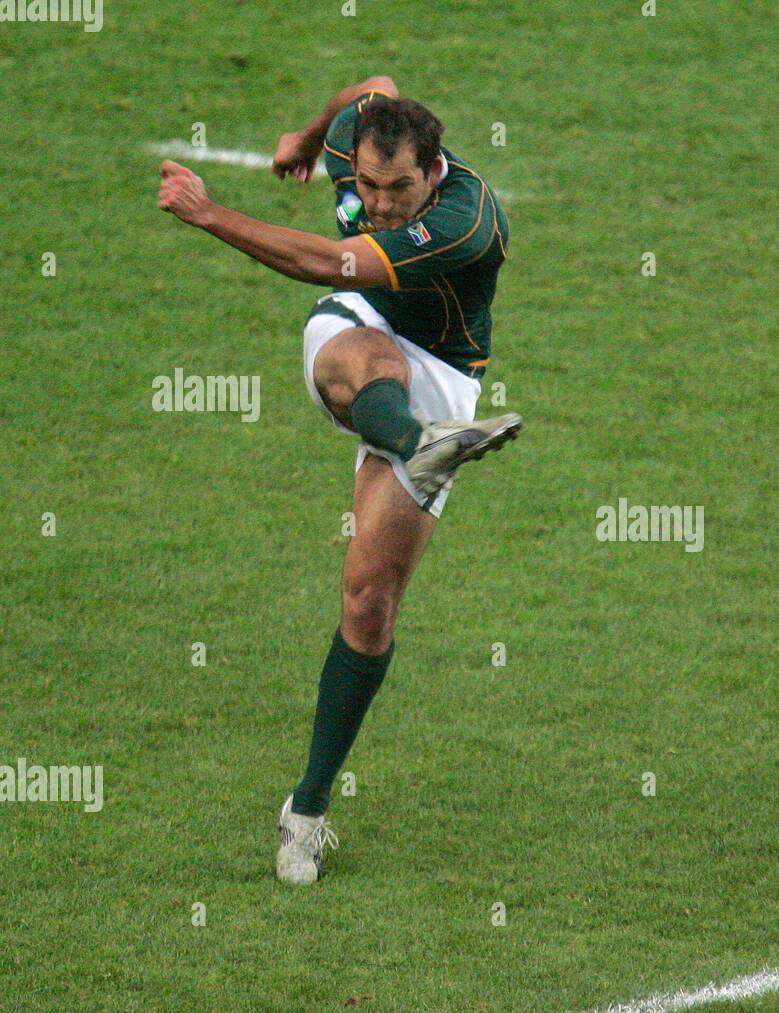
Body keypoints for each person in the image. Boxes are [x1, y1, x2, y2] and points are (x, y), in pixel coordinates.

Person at [158, 77, 521, 884]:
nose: (383, 203)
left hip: (446, 375)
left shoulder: (464, 222)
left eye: (400, 188)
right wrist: (305, 132)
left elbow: (325, 255)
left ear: (434, 173)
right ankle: (420, 444)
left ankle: (307, 809)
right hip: (357, 327)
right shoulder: (359, 141)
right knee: (368, 356)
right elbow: (377, 87)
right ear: (354, 160)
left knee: (370, 602)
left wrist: (208, 214)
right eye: (367, 184)